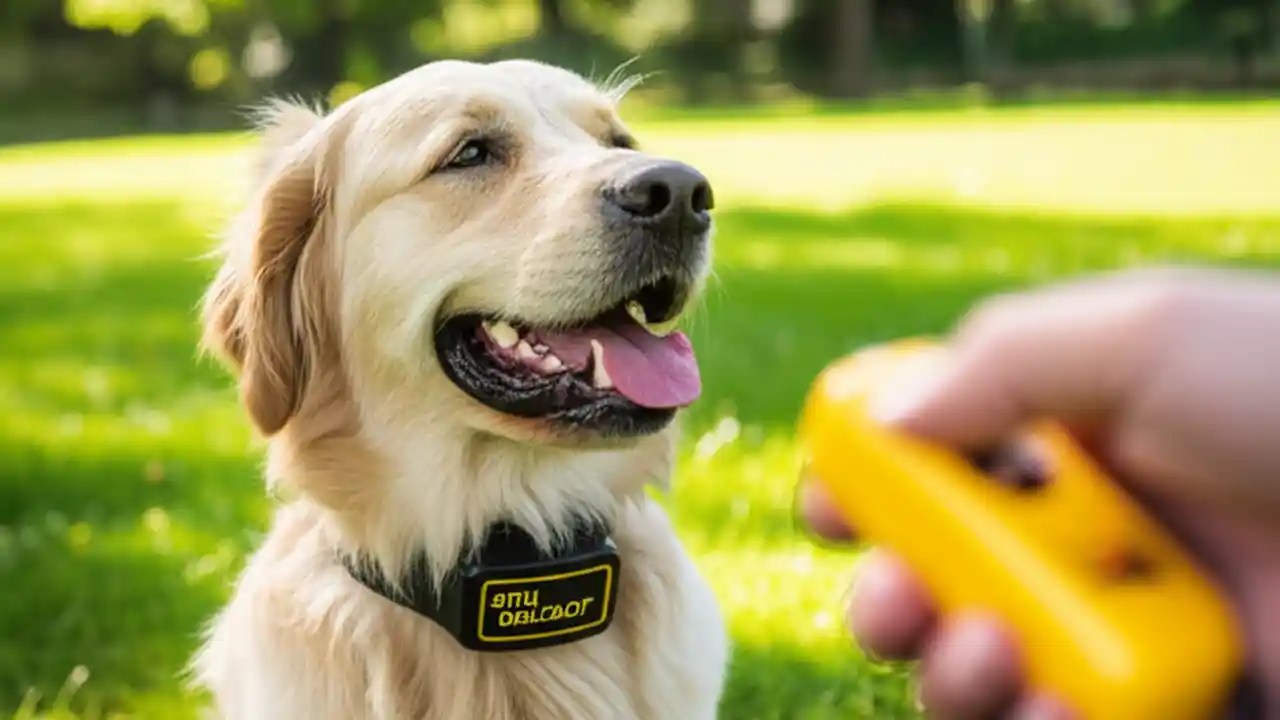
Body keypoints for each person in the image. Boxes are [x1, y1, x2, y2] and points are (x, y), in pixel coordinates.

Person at [798, 268, 1280, 720]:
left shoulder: (895, 411)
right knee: (964, 643)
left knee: (962, 645)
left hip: (1166, 640)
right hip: (1185, 637)